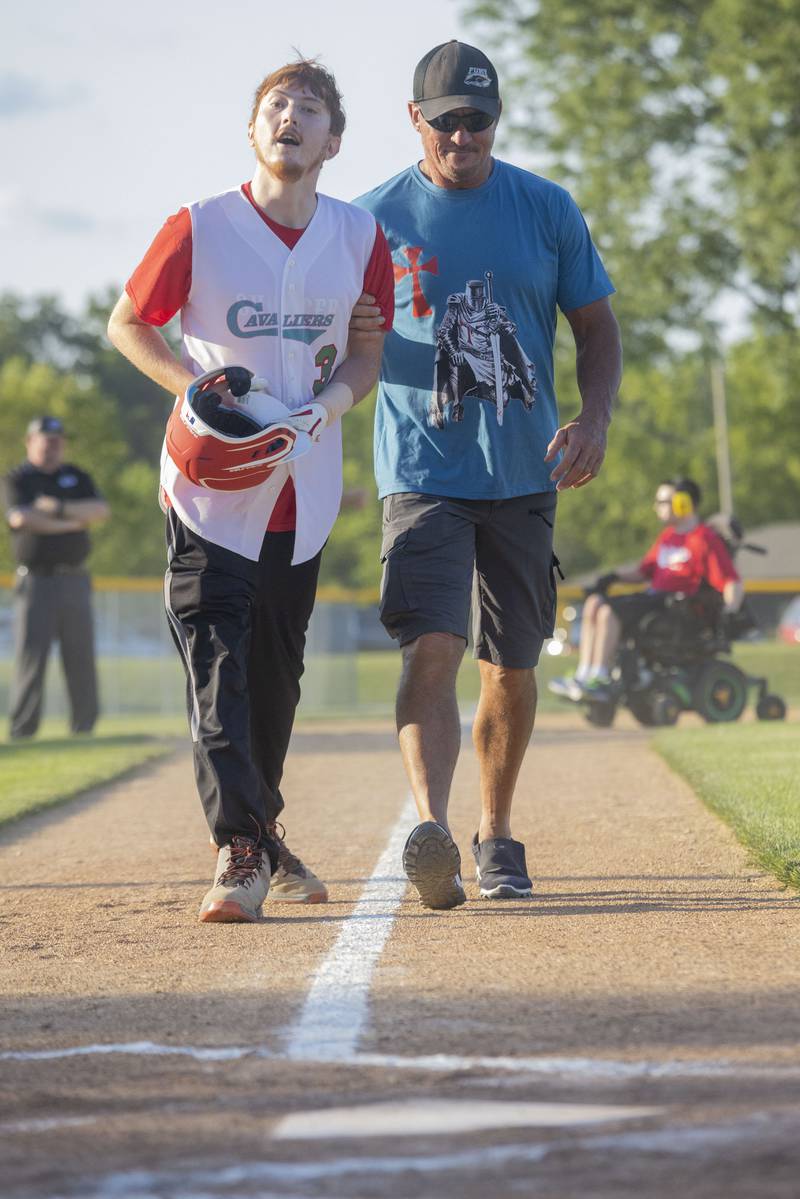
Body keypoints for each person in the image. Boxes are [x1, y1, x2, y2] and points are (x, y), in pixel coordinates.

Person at [107, 59, 394, 923]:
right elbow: (129, 323)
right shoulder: (199, 226)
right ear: (252, 129)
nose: (291, 118)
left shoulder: (359, 237)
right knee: (218, 661)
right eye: (276, 106)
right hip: (210, 488)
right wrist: (189, 391)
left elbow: (368, 351)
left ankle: (261, 830)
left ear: (332, 141)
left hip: (302, 492)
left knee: (274, 674)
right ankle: (238, 849)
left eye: (310, 109)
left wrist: (327, 408)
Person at [352, 41, 622, 908]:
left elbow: (597, 327)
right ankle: (432, 828)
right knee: (432, 644)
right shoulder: (367, 221)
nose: (462, 137)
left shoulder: (546, 208)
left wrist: (595, 417)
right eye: (446, 123)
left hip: (524, 471)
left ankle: (497, 833)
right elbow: (315, 331)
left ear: (495, 119)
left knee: (510, 666)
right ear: (416, 122)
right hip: (422, 470)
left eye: (478, 121)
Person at [551, 477, 744, 700]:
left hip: (675, 606)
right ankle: (584, 674)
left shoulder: (704, 539)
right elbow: (644, 572)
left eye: (663, 502)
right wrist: (613, 577)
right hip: (653, 598)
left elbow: (731, 581)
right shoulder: (668, 537)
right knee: (594, 602)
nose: (657, 507)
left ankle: (600, 677)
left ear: (684, 503)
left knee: (608, 612)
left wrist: (731, 610)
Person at [4, 416, 109, 739]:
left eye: (56, 440)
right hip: (37, 580)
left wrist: (57, 509)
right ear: (29, 442)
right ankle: (23, 730)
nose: (51, 445)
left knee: (80, 656)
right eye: (44, 440)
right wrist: (70, 523)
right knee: (31, 658)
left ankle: (84, 728)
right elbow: (21, 517)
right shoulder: (18, 479)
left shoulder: (75, 476)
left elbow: (99, 511)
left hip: (75, 579)